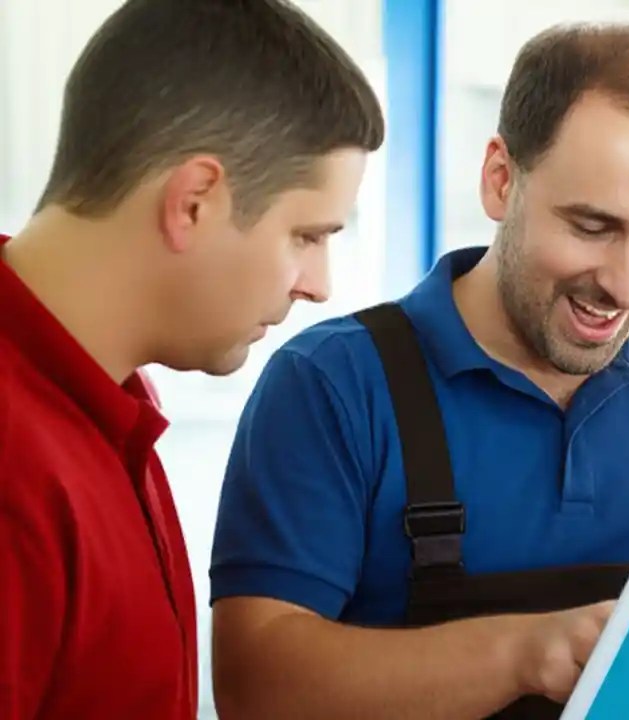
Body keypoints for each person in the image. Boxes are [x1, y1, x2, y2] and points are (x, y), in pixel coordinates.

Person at [208, 20, 629, 720]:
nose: (628, 284)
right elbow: (255, 685)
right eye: (592, 226)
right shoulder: (333, 385)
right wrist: (524, 655)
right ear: (500, 180)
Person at [0, 1, 383, 718]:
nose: (319, 284)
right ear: (196, 202)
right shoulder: (15, 462)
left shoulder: (109, 401)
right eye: (307, 235)